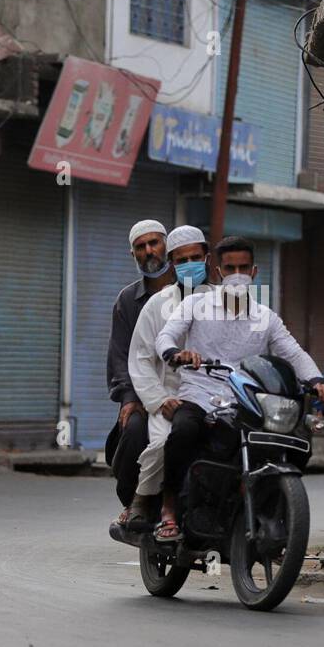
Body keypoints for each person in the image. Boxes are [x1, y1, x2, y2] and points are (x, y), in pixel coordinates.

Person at [152, 236, 324, 542]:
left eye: (243, 267)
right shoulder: (194, 304)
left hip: (247, 401)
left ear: (254, 271)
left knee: (294, 441)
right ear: (219, 271)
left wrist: (317, 382)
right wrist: (176, 354)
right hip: (199, 393)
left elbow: (293, 353)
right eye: (230, 267)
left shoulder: (266, 318)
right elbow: (165, 337)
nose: (237, 273)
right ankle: (168, 509)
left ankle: (257, 504)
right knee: (183, 431)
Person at [119, 225, 212, 531]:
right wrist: (158, 401)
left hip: (215, 399)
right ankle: (143, 501)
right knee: (161, 446)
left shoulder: (226, 302)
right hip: (169, 399)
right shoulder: (156, 305)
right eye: (182, 260)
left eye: (195, 258)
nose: (189, 266)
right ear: (171, 262)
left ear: (208, 258)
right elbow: (140, 360)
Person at [105, 219, 173, 519]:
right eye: (140, 247)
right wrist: (130, 397)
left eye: (154, 243)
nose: (149, 251)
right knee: (133, 430)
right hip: (145, 391)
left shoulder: (197, 294)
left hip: (191, 387)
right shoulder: (127, 301)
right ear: (133, 254)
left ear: (166, 246)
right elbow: (120, 354)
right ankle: (134, 500)